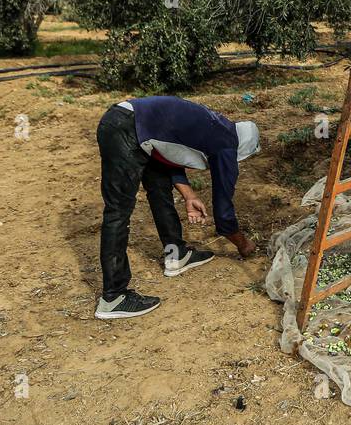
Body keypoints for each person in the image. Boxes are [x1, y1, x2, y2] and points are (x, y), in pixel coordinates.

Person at [94, 95, 260, 319]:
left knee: (160, 190)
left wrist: (189, 195)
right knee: (118, 211)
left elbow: (168, 150)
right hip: (126, 128)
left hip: (133, 126)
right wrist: (242, 243)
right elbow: (223, 211)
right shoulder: (227, 144)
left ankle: (176, 255)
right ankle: (114, 297)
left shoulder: (215, 125)